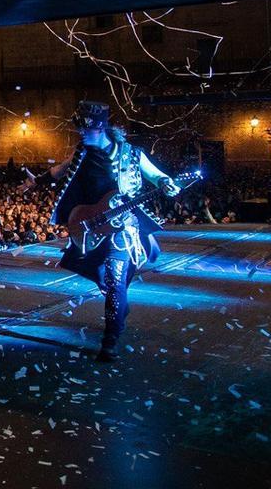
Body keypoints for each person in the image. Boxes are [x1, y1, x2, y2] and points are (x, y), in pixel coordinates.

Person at [22, 101, 179, 362]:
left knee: (116, 279)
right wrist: (36, 181)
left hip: (122, 230)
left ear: (101, 128)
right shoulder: (83, 153)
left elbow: (156, 175)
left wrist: (167, 183)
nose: (81, 135)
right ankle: (119, 309)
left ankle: (110, 339)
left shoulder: (131, 154)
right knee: (107, 281)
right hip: (91, 227)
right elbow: (61, 169)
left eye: (86, 131)